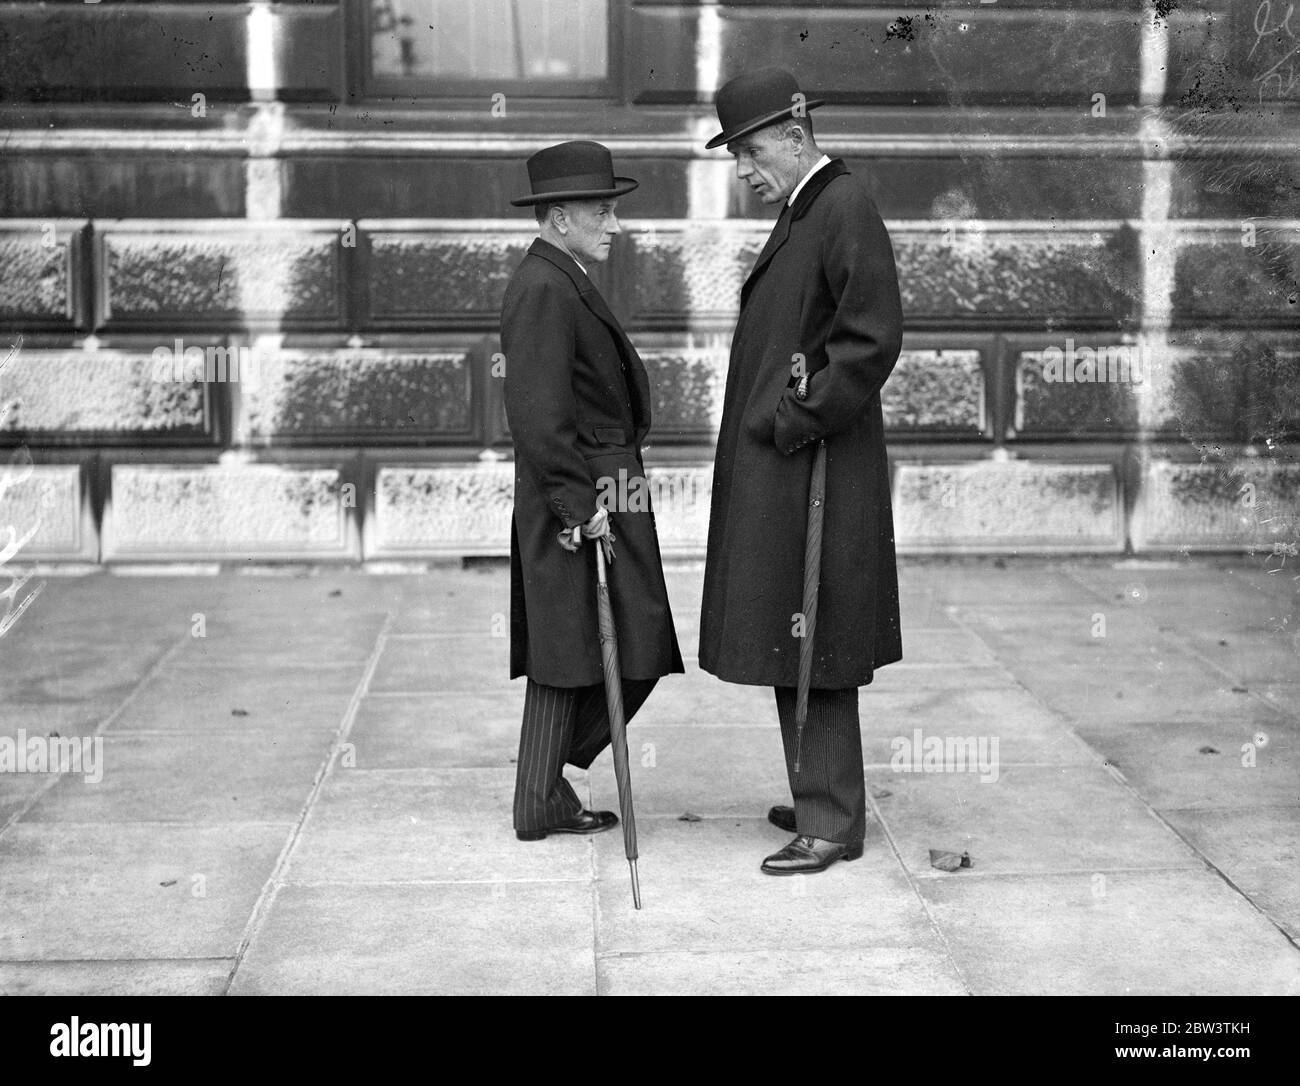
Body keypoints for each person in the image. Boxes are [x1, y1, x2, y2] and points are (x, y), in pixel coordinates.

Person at [699, 68, 905, 875]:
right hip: (794, 466)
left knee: (815, 629)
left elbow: (870, 338)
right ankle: (818, 788)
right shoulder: (805, 208)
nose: (744, 169)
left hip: (817, 464)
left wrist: (797, 416)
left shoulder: (841, 206)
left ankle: (831, 818)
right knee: (796, 625)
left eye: (749, 151)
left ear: (794, 133)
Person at [501, 140, 684, 842]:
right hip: (584, 494)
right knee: (581, 645)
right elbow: (540, 417)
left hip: (603, 486)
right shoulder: (544, 287)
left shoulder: (559, 275)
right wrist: (580, 510)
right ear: (557, 218)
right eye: (601, 211)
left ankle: (543, 787)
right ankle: (540, 794)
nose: (615, 224)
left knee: (610, 643)